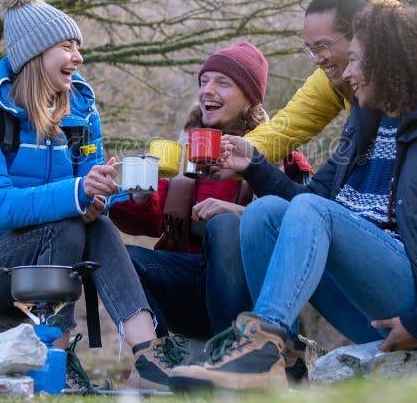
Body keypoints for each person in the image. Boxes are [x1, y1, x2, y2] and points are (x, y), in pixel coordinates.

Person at [169, 3, 417, 391]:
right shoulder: (363, 129)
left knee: (309, 209)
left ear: (389, 63)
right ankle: (276, 359)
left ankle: (257, 351)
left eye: (355, 60)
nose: (346, 73)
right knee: (264, 212)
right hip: (363, 304)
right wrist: (253, 165)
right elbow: (306, 201)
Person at [0, 0, 173, 389]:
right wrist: (77, 194)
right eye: (67, 47)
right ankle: (59, 356)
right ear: (36, 53)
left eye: (78, 47)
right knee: (68, 219)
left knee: (94, 222)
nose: (78, 57)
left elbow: (88, 189)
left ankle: (149, 356)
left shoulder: (82, 114)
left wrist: (117, 194)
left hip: (51, 259)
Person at [108, 42, 313, 378]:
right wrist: (140, 199)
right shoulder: (184, 150)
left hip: (252, 297)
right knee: (121, 258)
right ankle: (160, 360)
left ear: (249, 98)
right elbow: (150, 221)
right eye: (204, 81)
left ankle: (236, 354)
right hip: (192, 290)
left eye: (222, 82)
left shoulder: (280, 154)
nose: (208, 90)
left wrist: (235, 212)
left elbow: (305, 226)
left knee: (223, 227)